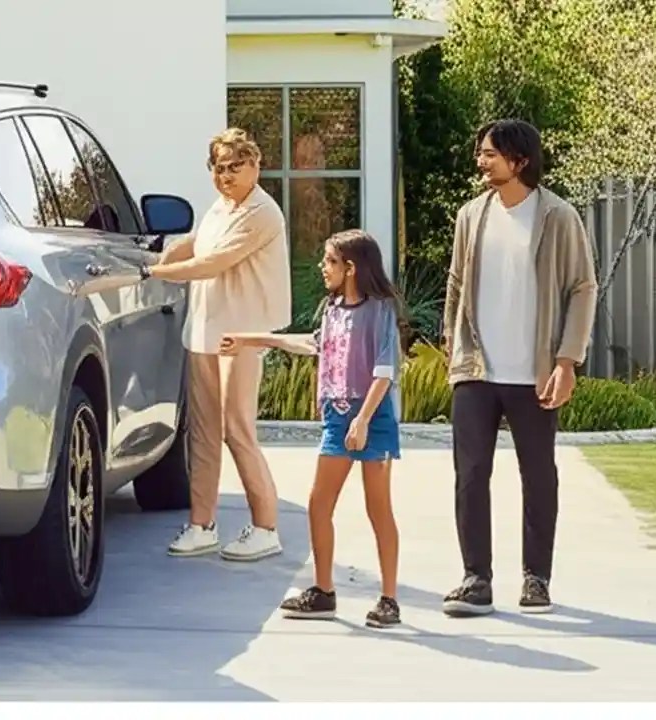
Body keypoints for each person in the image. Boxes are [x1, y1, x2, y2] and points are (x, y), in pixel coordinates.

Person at [441, 119, 598, 617]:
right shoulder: (471, 215)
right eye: (479, 152)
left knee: (538, 476)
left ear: (520, 160)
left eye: (490, 154)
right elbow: (456, 280)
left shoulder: (558, 216)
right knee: (469, 476)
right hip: (477, 371)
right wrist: (451, 339)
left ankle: (536, 578)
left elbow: (582, 288)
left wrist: (567, 361)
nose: (480, 161)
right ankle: (476, 578)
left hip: (534, 373)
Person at [222, 229, 406, 628]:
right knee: (319, 505)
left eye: (330, 262)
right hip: (338, 416)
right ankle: (323, 592)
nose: (324, 269)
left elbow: (384, 372)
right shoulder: (333, 308)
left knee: (379, 509)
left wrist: (362, 420)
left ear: (351, 268)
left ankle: (389, 599)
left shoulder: (380, 311)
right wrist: (249, 339)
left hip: (370, 416)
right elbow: (312, 344)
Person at [139, 128, 292, 561]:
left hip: (240, 333)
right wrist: (159, 255)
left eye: (234, 167)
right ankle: (201, 524)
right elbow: (201, 242)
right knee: (204, 433)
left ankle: (266, 527)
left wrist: (158, 275)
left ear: (255, 166)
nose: (226, 176)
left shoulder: (262, 212)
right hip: (204, 330)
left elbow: (214, 262)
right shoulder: (222, 206)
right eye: (219, 168)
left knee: (236, 430)